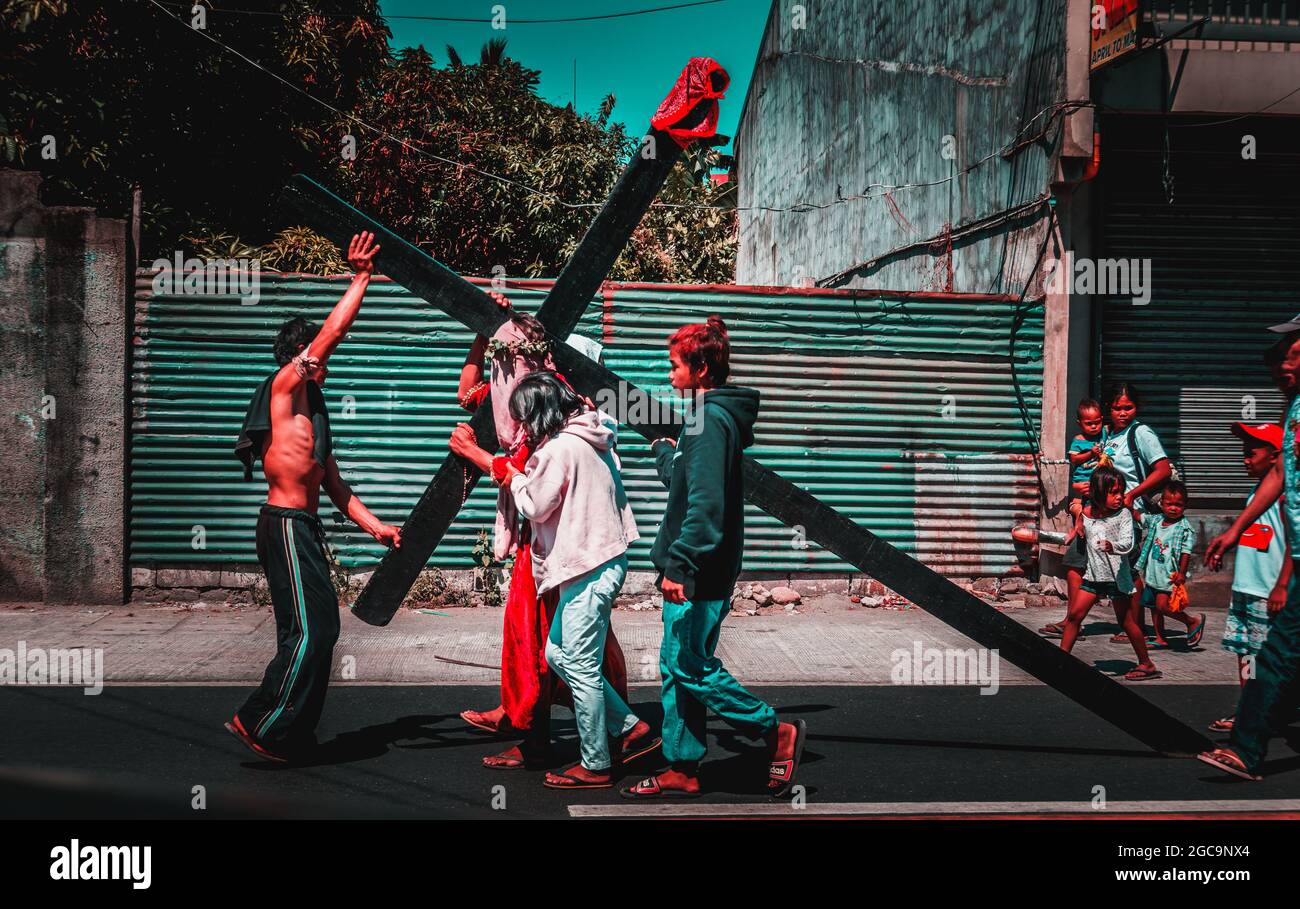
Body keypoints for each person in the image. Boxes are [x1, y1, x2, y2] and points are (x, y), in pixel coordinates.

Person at [226, 232, 402, 763]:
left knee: (311, 630)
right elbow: (334, 331)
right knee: (314, 629)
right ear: (302, 356)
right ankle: (262, 720)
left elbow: (336, 488)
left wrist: (378, 528)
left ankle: (292, 732)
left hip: (302, 528)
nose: (325, 361)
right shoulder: (285, 387)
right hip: (283, 524)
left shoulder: (315, 417)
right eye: (317, 355)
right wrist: (362, 277)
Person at [622, 316, 806, 800]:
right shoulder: (704, 420)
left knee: (688, 665)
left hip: (699, 573)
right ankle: (683, 766)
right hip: (700, 568)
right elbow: (687, 483)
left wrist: (680, 564)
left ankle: (774, 731)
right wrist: (665, 452)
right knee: (675, 665)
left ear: (701, 368)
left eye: (675, 366)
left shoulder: (708, 421)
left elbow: (706, 508)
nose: (669, 375)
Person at [453, 371, 657, 789]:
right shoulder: (594, 437)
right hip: (601, 561)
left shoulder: (558, 449)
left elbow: (535, 506)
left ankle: (596, 763)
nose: (523, 428)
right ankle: (630, 727)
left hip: (585, 566)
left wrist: (512, 475)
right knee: (559, 654)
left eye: (524, 418)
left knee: (576, 663)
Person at [1199, 322, 1300, 779]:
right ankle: (1249, 742)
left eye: (1291, 356)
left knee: (1277, 653)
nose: (1282, 367)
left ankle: (1247, 747)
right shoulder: (1293, 408)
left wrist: (1283, 578)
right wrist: (1235, 530)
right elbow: (1280, 474)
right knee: (1278, 654)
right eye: (1277, 361)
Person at [1207, 422, 1290, 734]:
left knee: (1269, 658)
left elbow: (1293, 544)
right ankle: (1248, 709)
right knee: (1246, 653)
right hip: (1245, 589)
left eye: (1251, 453)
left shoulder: (1285, 498)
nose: (1244, 459)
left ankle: (1264, 712)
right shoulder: (1256, 494)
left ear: (1275, 457)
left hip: (1267, 593)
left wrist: (1282, 585)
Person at [1058, 465, 1161, 680]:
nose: (1119, 497)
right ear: (1098, 493)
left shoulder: (1124, 515)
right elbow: (1079, 516)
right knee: (1074, 616)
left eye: (1121, 492)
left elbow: (1128, 543)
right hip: (1093, 577)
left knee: (1127, 623)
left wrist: (1112, 546)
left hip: (1116, 579)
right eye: (1113, 492)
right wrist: (1075, 528)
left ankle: (1146, 663)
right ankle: (1059, 661)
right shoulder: (1087, 514)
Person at [1029, 398, 1107, 637]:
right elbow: (1074, 460)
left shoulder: (1107, 435)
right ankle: (1072, 621)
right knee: (1076, 563)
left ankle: (1073, 621)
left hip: (1097, 503)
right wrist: (1091, 454)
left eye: (1097, 422)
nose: (1094, 427)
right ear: (1079, 423)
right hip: (1084, 495)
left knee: (1081, 564)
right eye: (1088, 423)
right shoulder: (1080, 441)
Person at [1133, 480, 1204, 649]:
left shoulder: (1184, 528)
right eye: (1169, 504)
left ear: (1185, 505)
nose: (1173, 508)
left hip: (1169, 575)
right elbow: (1140, 517)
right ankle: (1160, 638)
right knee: (1154, 608)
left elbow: (1186, 552)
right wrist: (1128, 504)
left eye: (1178, 505)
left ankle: (1191, 621)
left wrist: (1182, 573)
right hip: (1152, 574)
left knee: (1163, 606)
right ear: (1161, 504)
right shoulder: (1156, 521)